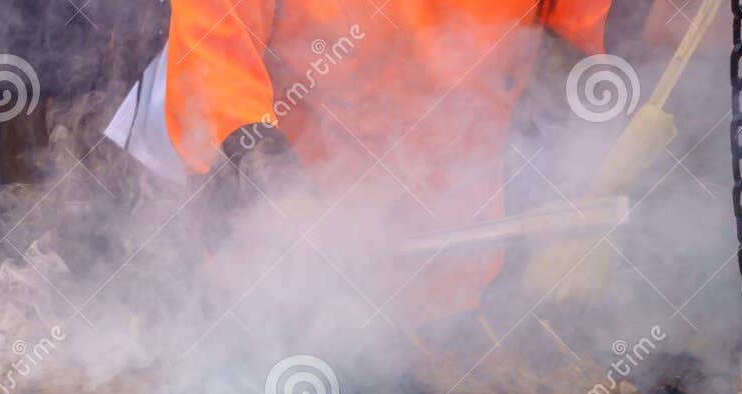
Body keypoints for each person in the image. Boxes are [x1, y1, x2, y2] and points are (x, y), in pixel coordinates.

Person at [161, 1, 697, 324]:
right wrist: (277, 206)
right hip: (289, 291)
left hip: (454, 280)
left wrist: (674, 21)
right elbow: (213, 68)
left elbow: (623, 27)